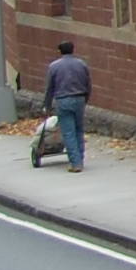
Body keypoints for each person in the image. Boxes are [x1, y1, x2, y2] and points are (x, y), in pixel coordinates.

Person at [43, 41, 91, 173]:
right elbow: (88, 83)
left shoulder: (54, 66)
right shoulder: (81, 64)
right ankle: (80, 157)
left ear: (60, 51)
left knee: (68, 132)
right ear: (73, 50)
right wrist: (85, 98)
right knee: (79, 130)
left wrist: (46, 105)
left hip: (63, 99)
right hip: (79, 98)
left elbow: (49, 88)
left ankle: (76, 163)